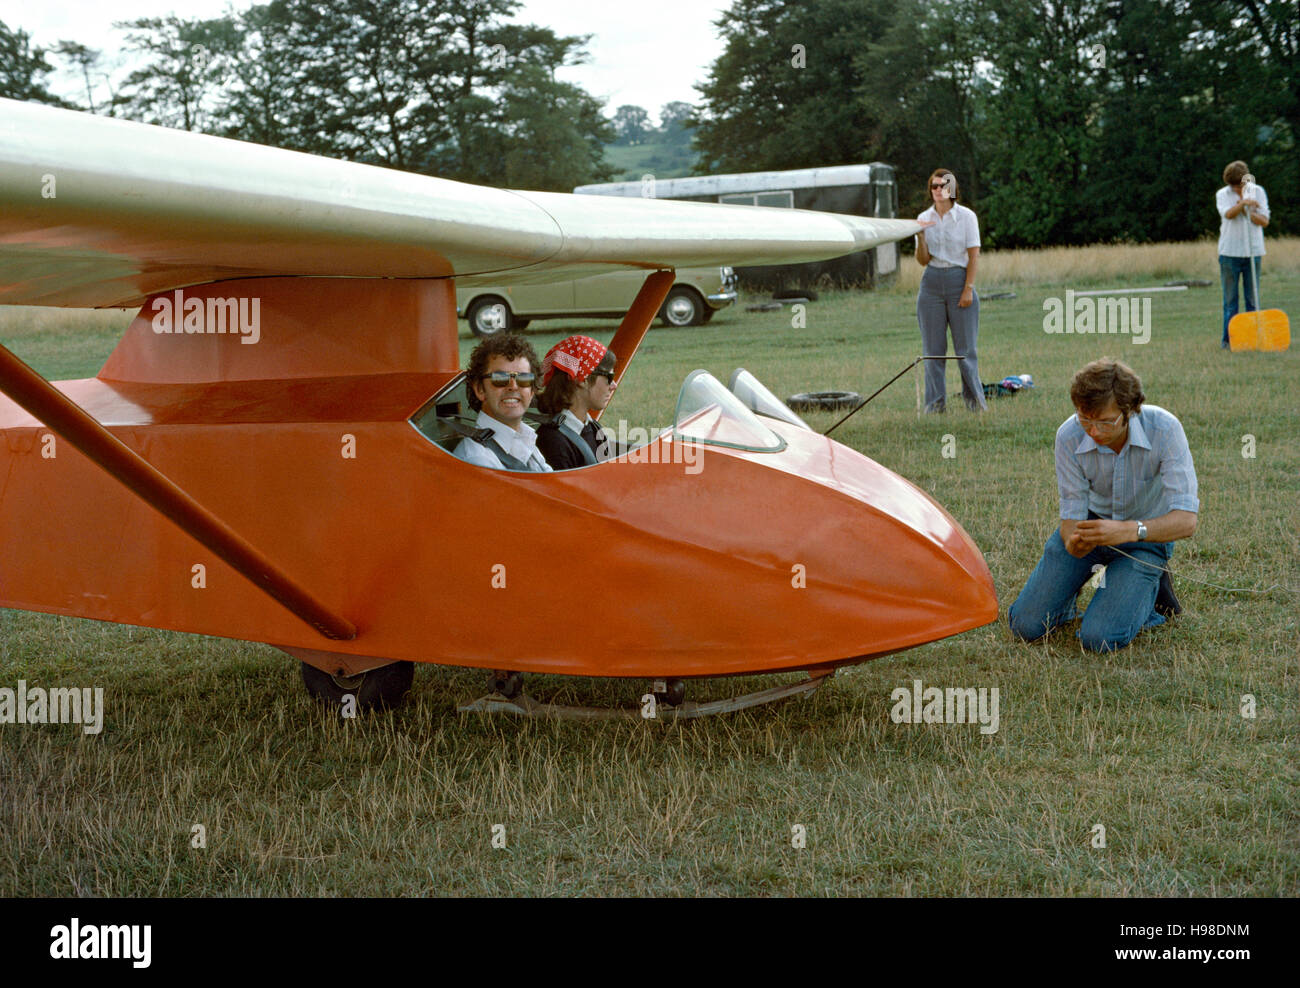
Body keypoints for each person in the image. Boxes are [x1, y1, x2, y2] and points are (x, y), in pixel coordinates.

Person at [1008, 359, 1199, 652]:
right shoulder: (1069, 435)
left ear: (1130, 411)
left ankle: (1149, 595)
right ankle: (1081, 600)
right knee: (1026, 625)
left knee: (1099, 638)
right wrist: (1074, 543)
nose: (1094, 431)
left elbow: (1186, 521)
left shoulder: (1165, 429)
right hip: (1092, 526)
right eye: (1085, 419)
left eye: (1106, 421)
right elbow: (1071, 516)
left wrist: (1127, 531)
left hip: (1146, 538)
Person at [915, 168, 985, 413]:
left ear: (952, 189)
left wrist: (968, 289)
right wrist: (921, 237)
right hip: (931, 281)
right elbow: (923, 260)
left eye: (943, 186)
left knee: (965, 351)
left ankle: (975, 404)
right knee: (933, 352)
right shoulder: (924, 217)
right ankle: (935, 406)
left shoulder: (966, 217)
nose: (938, 190)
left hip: (959, 278)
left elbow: (973, 256)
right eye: (934, 186)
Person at [454, 333, 552, 472]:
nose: (513, 386)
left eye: (524, 378)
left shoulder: (525, 439)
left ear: (532, 391)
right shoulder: (478, 459)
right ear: (480, 389)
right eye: (500, 378)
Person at [535, 335, 619, 469]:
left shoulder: (593, 428)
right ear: (582, 379)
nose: (614, 385)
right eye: (609, 377)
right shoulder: (553, 441)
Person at [1216, 160, 1270, 349]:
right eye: (1233, 185)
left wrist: (1250, 211)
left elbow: (1264, 221)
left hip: (1253, 252)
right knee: (1230, 301)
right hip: (1229, 252)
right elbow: (1228, 214)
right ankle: (1228, 341)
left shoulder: (1259, 191)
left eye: (1239, 185)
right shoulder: (1222, 194)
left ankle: (1253, 339)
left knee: (1252, 299)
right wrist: (1243, 204)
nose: (1237, 188)